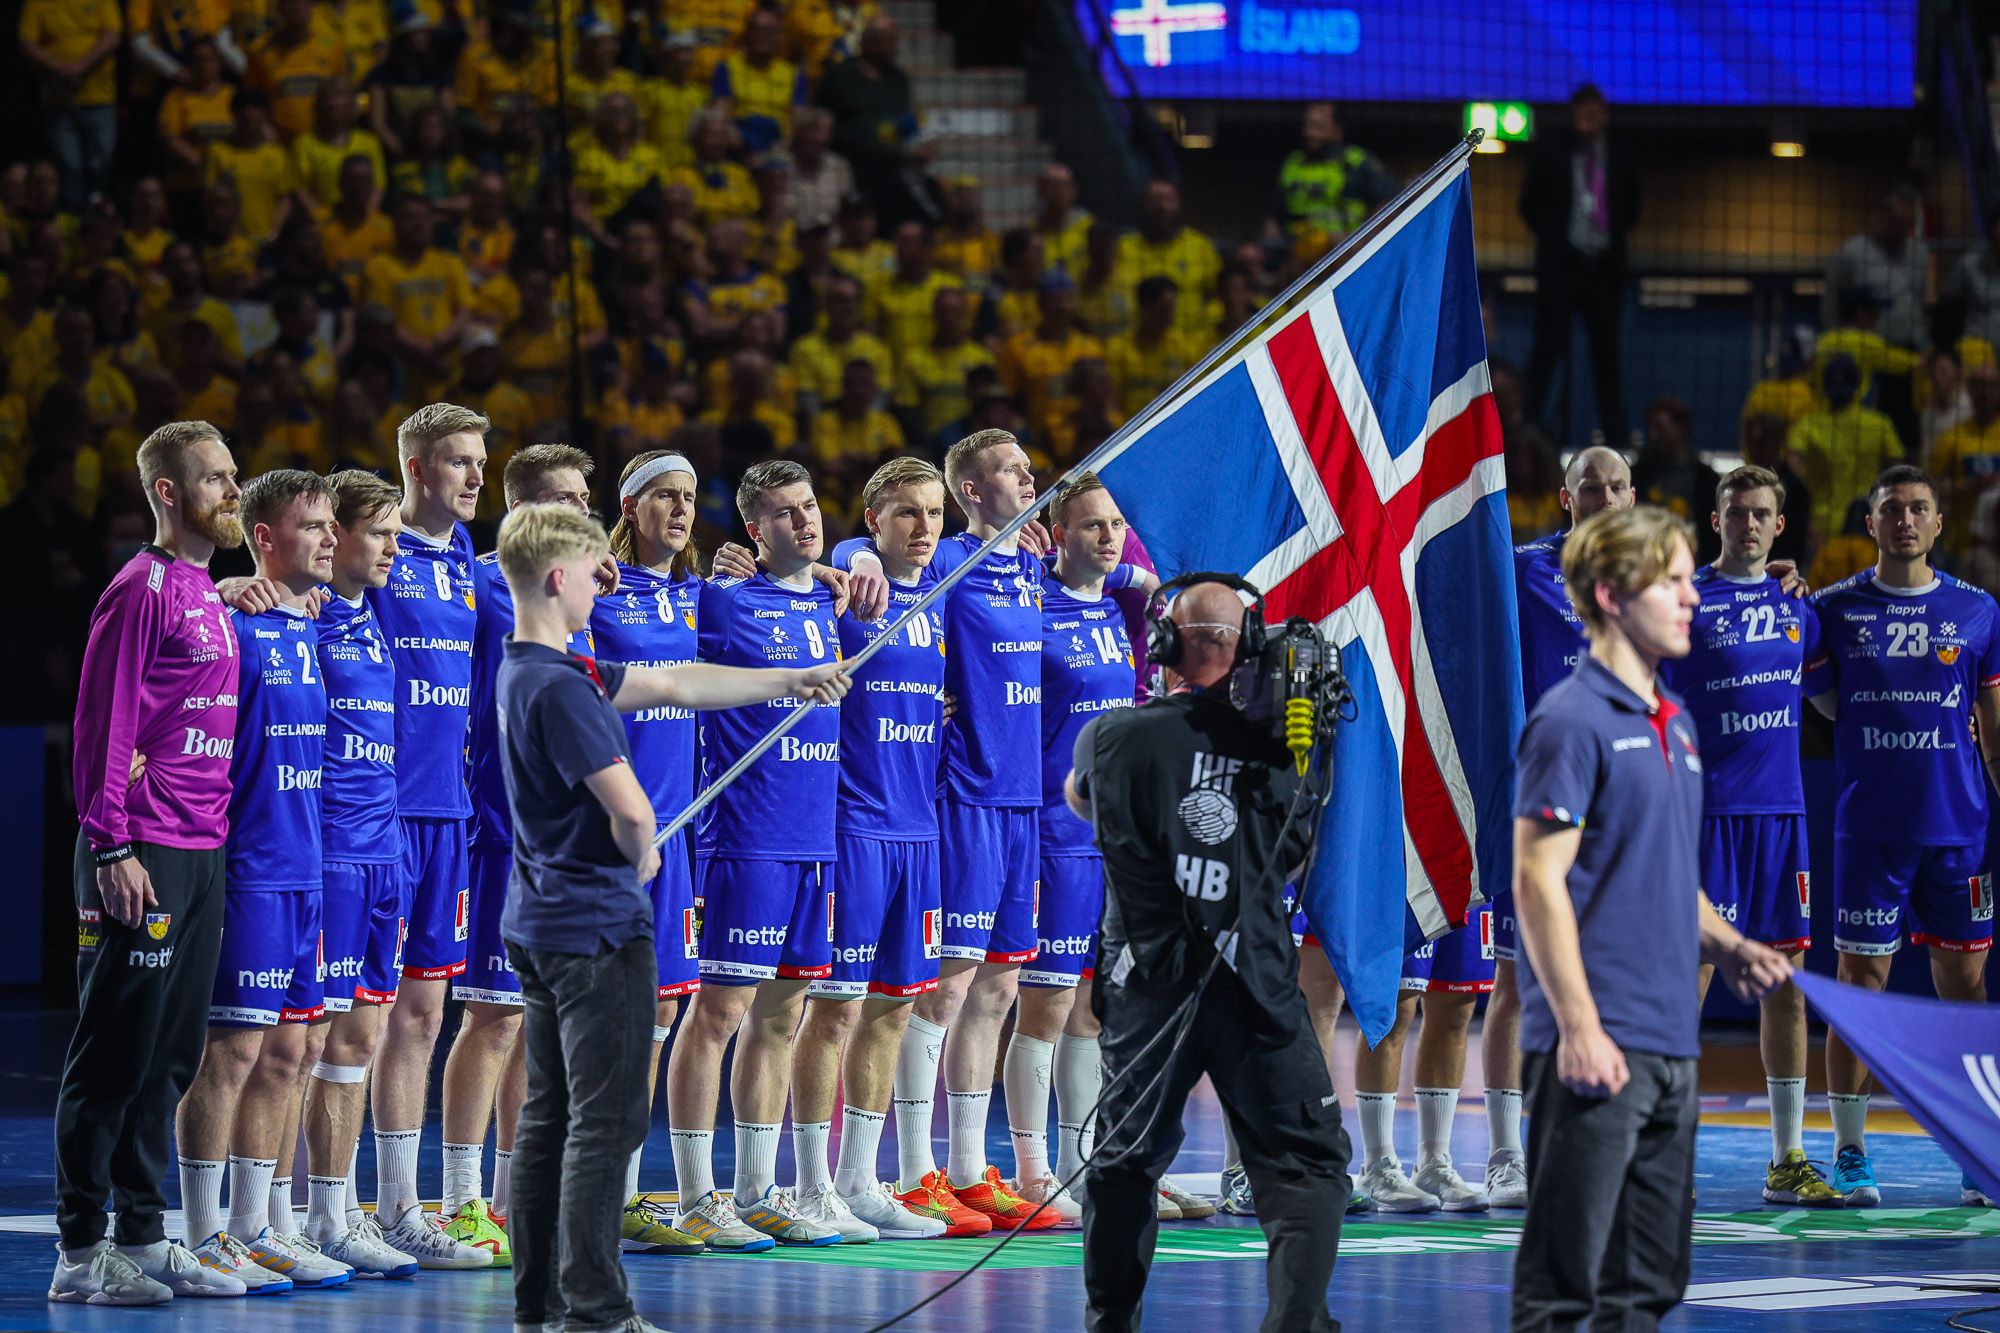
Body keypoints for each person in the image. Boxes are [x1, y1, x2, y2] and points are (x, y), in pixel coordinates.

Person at [495, 501, 849, 1333]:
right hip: (596, 925)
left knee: (551, 1114)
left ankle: (540, 1303)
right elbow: (630, 808)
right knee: (607, 1123)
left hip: (539, 919)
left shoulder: (529, 669)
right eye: (589, 573)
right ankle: (598, 1310)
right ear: (558, 578)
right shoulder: (565, 688)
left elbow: (674, 682)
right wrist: (644, 846)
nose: (601, 585)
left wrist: (790, 680)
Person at [1510, 505, 1792, 1332]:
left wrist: (1731, 943)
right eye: (1669, 581)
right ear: (1609, 594)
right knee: (1566, 1289)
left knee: (1650, 1282)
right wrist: (1578, 1025)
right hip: (1597, 1042)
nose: (1691, 597)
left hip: (1672, 1041)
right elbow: (1537, 881)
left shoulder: (1678, 721)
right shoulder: (1570, 720)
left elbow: (1671, 877)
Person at [1071, 577, 1348, 1333]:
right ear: (1249, 646)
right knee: (1306, 1166)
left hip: (1148, 981)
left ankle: (1111, 1321)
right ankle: (1295, 1322)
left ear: (1163, 643)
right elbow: (1294, 855)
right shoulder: (1286, 747)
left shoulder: (1110, 736)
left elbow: (1079, 800)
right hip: (1253, 977)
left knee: (1125, 1160)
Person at [52, 421, 250, 1304]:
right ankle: (79, 1250)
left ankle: (142, 1229)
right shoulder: (138, 590)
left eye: (233, 475)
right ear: (168, 493)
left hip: (202, 846)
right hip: (144, 845)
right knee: (114, 1052)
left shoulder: (205, 590)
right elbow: (103, 723)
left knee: (172, 1055)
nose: (231, 490)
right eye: (213, 479)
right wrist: (113, 842)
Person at [173, 469, 354, 1292]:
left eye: (330, 524)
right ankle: (202, 1232)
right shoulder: (232, 623)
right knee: (232, 1052)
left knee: (287, 1052)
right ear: (266, 537)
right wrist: (222, 588)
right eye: (312, 525)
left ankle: (251, 1228)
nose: (329, 536)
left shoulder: (307, 625)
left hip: (306, 869)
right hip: (247, 871)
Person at [1805, 465, 1999, 1209]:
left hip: (1960, 833)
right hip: (1871, 831)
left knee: (1965, 991)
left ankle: (1974, 1147)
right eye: (1892, 509)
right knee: (1861, 991)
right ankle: (1851, 1154)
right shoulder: (1834, 609)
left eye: (1919, 508)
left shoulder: (1979, 612)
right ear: (1872, 523)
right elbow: (1827, 707)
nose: (1907, 520)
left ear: (1940, 523)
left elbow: (1994, 736)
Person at [668, 459, 851, 1249]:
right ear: (753, 529)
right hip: (747, 835)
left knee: (782, 1016)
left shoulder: (833, 593)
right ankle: (693, 1195)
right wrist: (711, 571)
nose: (803, 523)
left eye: (808, 507)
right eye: (782, 514)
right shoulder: (723, 598)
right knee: (717, 1013)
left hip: (818, 838)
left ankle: (755, 1187)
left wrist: (862, 567)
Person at [1657, 466, 1840, 1206]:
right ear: (1716, 519)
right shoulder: (1687, 601)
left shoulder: (1801, 606)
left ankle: (1788, 1157)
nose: (1749, 524)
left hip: (1784, 817)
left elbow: (1832, 699)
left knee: (1784, 983)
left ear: (1780, 524)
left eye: (1762, 513)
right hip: (1708, 818)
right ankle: (1663, 1155)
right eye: (1737, 512)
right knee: (1686, 986)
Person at [786, 457, 956, 1240]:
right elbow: (794, 567)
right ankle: (809, 1183)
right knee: (833, 1009)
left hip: (919, 828)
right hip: (853, 826)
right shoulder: (844, 587)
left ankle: (860, 1177)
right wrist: (851, 556)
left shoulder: (943, 592)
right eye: (906, 514)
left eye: (934, 512)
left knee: (894, 1007)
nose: (924, 528)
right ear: (874, 519)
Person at [451, 445, 606, 1270]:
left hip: (555, 840)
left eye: (588, 498)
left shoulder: (586, 587)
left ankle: (517, 1200)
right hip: (492, 829)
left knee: (536, 1027)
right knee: (492, 1016)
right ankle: (460, 1201)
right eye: (565, 502)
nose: (583, 513)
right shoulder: (485, 582)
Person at [1006, 474, 1162, 1227]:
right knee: (1046, 1003)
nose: (1107, 536)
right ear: (1054, 532)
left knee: (1098, 1010)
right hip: (1049, 828)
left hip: (1114, 836)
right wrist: (1032, 562)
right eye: (1090, 525)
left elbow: (1154, 579)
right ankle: (1034, 1171)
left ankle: (1083, 1160)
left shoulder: (1120, 605)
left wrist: (1124, 565)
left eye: (1114, 523)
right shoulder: (1028, 605)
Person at [362, 403, 496, 1269]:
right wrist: (236, 586)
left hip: (451, 815)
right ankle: (315, 1207)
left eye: (481, 461)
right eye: (458, 461)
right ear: (416, 467)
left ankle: (407, 1206)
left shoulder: (476, 570)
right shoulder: (375, 549)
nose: (476, 476)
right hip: (376, 815)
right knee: (350, 1021)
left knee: (422, 1014)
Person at [1488, 443, 1636, 1209]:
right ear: (1565, 497)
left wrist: (1786, 578)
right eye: (1591, 485)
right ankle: (1508, 1155)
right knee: (1516, 979)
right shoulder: (1522, 567)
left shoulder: (1659, 573)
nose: (1605, 495)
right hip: (1542, 800)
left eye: (1617, 484)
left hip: (1622, 807)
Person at [588, 452, 717, 1255]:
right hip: (609, 833)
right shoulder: (597, 591)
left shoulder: (695, 595)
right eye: (666, 494)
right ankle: (576, 1194)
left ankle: (626, 1194)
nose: (681, 507)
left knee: (661, 1012)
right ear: (629, 505)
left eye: (692, 497)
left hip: (679, 831)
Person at [302, 469, 424, 1275]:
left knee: (362, 1037)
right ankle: (287, 1217)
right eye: (378, 531)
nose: (392, 545)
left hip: (387, 852)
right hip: (330, 855)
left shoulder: (376, 614)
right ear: (334, 535)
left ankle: (338, 1210)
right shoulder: (303, 621)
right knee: (297, 1042)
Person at [1520, 85, 1640, 445]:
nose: (1588, 118)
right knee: (1548, 348)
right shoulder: (1552, 152)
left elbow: (1631, 208)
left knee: (1606, 356)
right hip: (1561, 267)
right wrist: (1556, 240)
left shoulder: (1621, 156)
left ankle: (1616, 438)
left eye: (1594, 111)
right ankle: (1530, 430)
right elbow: (1528, 204)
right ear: (1573, 114)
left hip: (1604, 269)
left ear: (1604, 115)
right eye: (1582, 111)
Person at [1789, 353, 1902, 553]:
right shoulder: (1879, 424)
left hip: (1819, 528)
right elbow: (1900, 475)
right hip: (1868, 526)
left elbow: (1791, 476)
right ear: (1859, 385)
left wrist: (1803, 522)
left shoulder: (1807, 425)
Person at [1267, 102, 1394, 265]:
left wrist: (1362, 241)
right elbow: (1274, 215)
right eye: (1308, 125)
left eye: (1319, 127)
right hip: (1299, 260)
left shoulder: (1355, 162)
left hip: (1345, 257)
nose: (1309, 133)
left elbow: (1388, 205)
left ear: (1337, 131)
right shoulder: (1292, 164)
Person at [1117, 181, 1219, 344]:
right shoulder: (1124, 247)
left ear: (1178, 204)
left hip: (1193, 349)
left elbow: (1218, 296)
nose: (1162, 207)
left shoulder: (1200, 245)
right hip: (1139, 349)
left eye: (1168, 200)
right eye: (1155, 199)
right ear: (1144, 204)